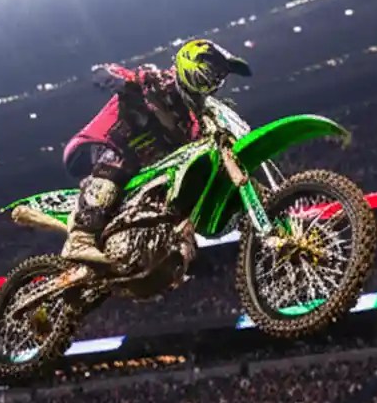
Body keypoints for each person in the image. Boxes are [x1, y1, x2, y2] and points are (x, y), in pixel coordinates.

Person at [60, 38, 252, 264]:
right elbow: (109, 73)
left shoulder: (194, 122)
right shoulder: (155, 82)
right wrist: (120, 82)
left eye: (220, 77)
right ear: (191, 63)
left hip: (141, 172)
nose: (215, 80)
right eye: (213, 71)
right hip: (98, 145)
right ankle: (81, 238)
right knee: (120, 160)